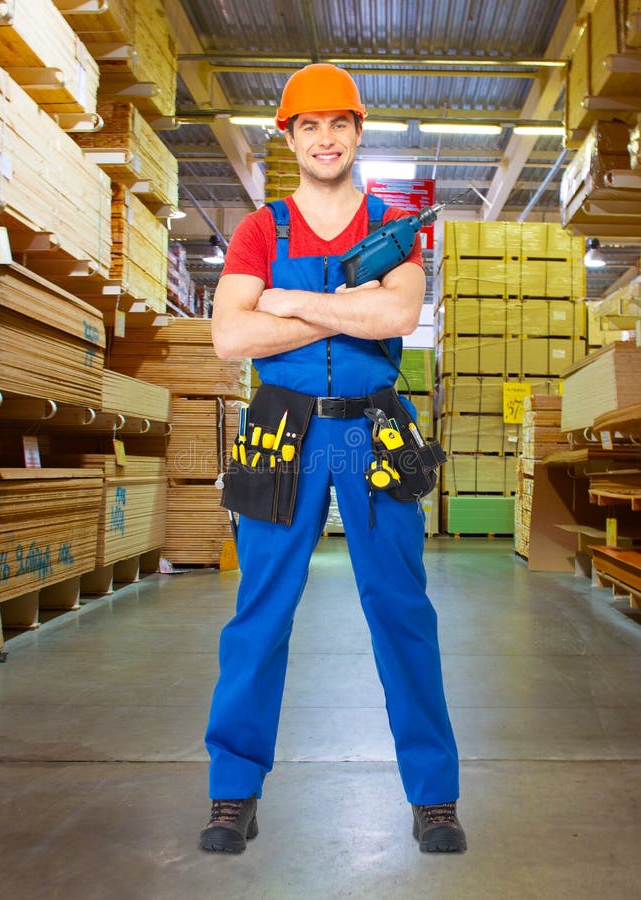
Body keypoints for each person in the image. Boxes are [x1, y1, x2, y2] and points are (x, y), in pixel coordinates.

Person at [199, 63, 466, 855]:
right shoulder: (259, 230)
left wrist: (286, 301)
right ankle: (233, 792)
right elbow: (230, 337)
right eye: (307, 125)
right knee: (261, 614)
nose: (324, 138)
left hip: (371, 430)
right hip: (281, 432)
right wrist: (348, 313)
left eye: (338, 124)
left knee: (401, 611)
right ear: (289, 137)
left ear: (357, 132)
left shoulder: (392, 225)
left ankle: (434, 798)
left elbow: (400, 312)